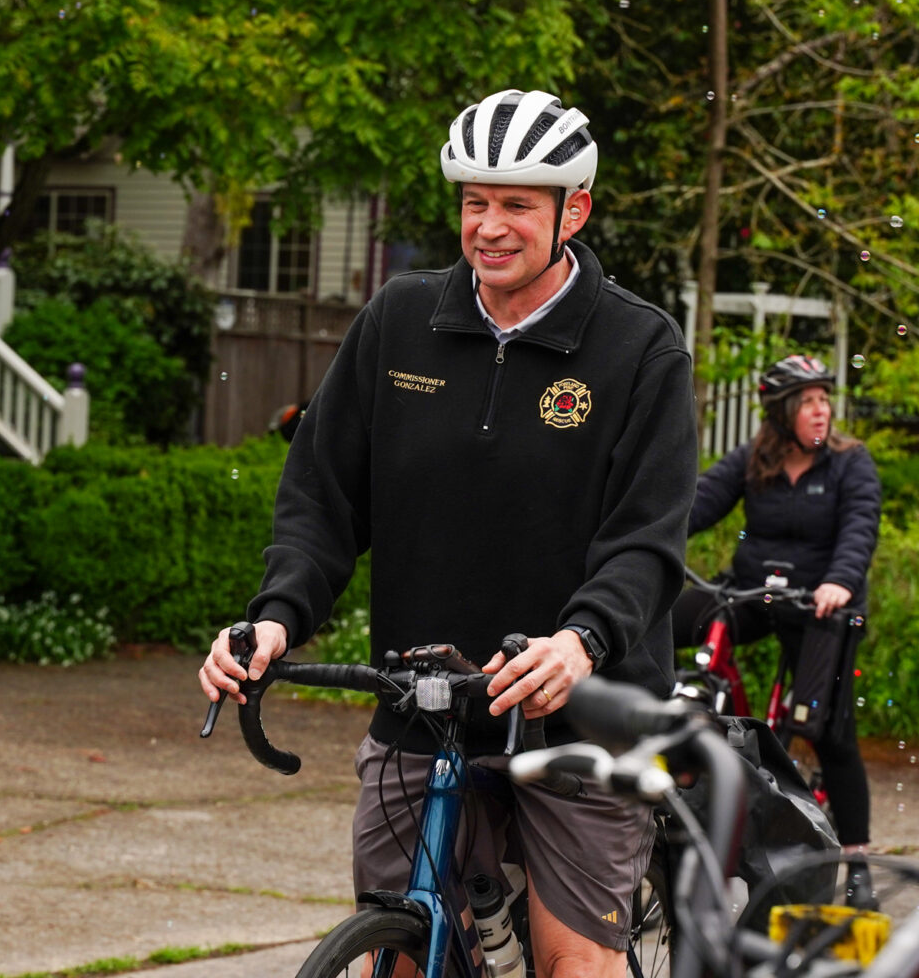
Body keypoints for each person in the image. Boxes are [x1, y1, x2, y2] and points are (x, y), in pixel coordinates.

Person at [198, 88, 698, 978]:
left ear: (572, 210)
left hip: (578, 717)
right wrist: (274, 618)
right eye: (476, 202)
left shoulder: (639, 350)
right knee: (398, 951)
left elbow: (645, 542)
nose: (491, 226)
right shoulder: (399, 321)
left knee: (572, 963)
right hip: (424, 704)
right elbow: (321, 500)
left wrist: (580, 642)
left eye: (516, 203)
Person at [672, 354, 882, 906]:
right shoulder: (754, 458)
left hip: (821, 606)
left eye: (824, 400)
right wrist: (647, 537)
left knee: (828, 731)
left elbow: (860, 527)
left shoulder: (849, 463)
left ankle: (857, 863)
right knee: (663, 619)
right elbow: (695, 504)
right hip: (754, 593)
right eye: (808, 401)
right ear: (782, 411)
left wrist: (838, 581)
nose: (821, 411)